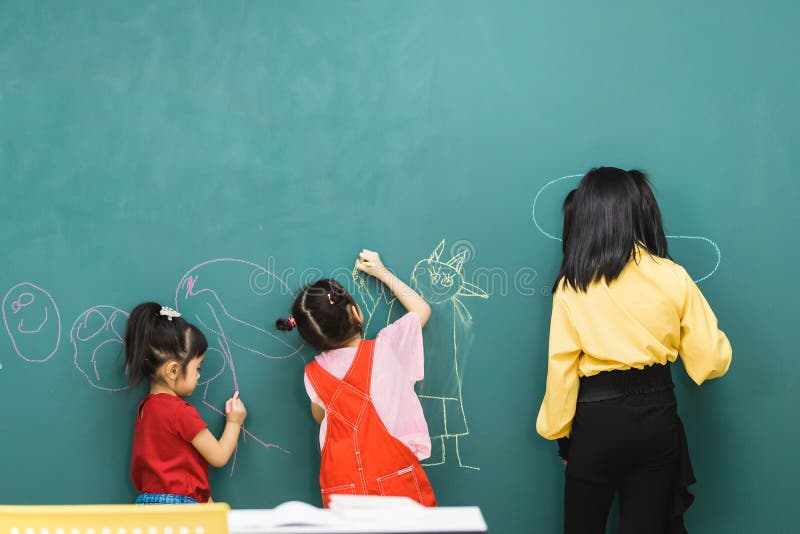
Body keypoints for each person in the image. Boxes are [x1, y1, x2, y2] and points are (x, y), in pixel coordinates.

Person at [536, 167, 732, 533]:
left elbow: (561, 368)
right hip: (656, 417)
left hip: (596, 423)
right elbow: (710, 361)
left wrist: (561, 438)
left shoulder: (573, 284)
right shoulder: (672, 276)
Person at [277, 249, 437, 507]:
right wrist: (381, 272)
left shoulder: (314, 375)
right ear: (355, 313)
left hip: (345, 493)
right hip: (397, 483)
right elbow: (422, 310)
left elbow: (320, 415)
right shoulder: (387, 349)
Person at [124, 301, 246, 504]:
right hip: (179, 509)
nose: (199, 376)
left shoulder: (146, 408)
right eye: (197, 368)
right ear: (172, 370)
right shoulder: (180, 412)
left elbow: (174, 468)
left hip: (146, 506)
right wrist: (234, 422)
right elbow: (218, 456)